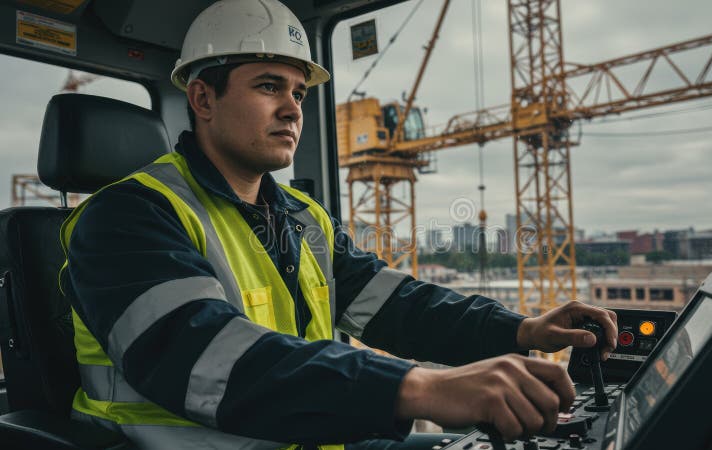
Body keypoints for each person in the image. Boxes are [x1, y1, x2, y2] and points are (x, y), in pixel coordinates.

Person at [60, 0, 618, 449]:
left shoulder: (300, 218)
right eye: (268, 86)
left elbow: (396, 305)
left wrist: (521, 329)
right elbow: (207, 359)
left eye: (299, 93)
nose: (293, 109)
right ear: (203, 97)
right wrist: (418, 387)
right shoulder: (126, 218)